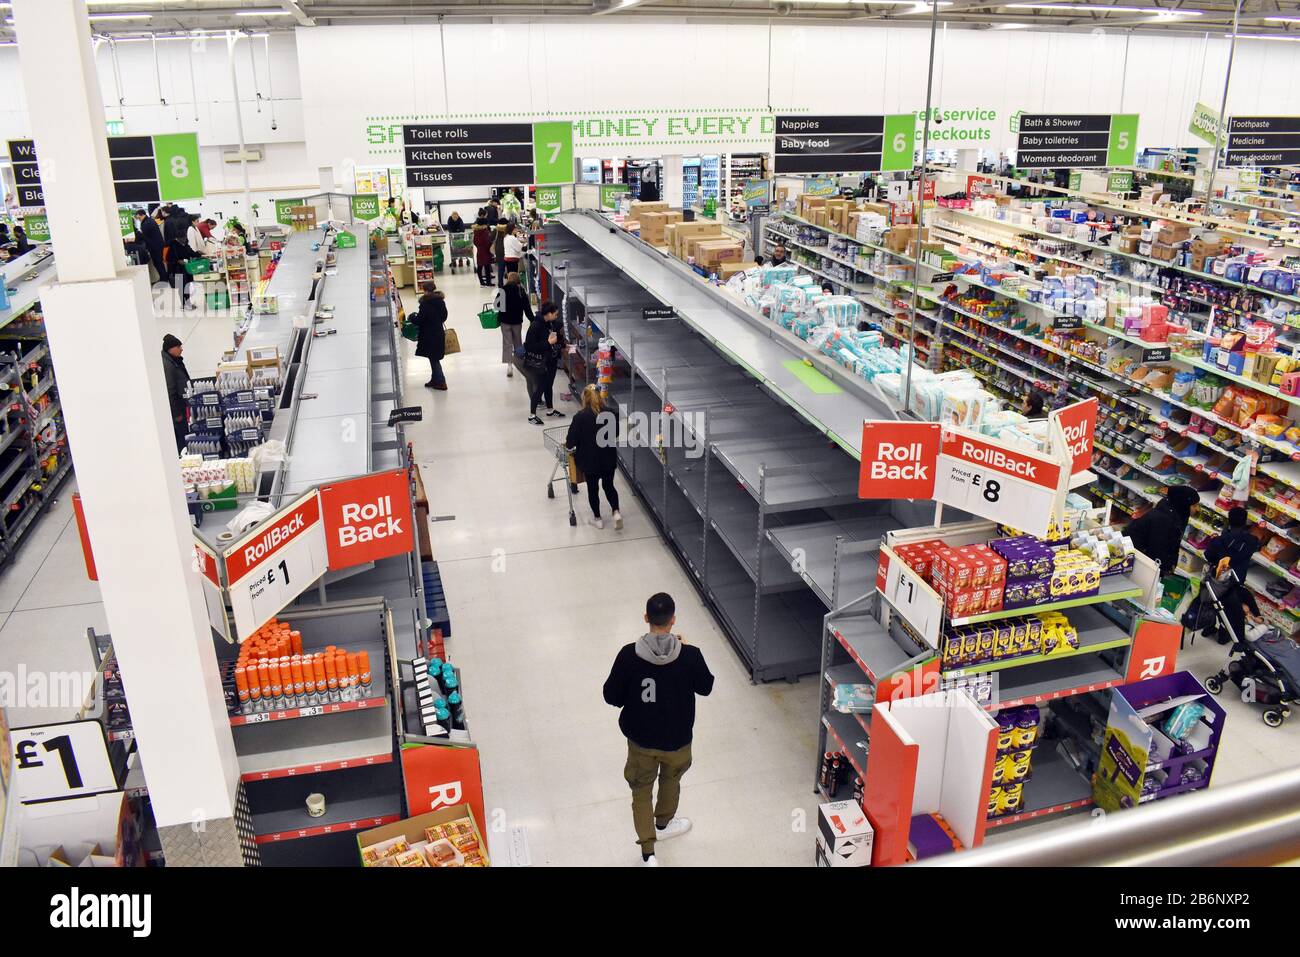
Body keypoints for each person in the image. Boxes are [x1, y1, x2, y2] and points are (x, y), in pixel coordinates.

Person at [602, 592, 714, 866]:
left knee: (641, 790)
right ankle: (664, 823)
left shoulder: (629, 655)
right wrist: (687, 648)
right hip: (677, 740)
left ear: (645, 618)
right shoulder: (690, 656)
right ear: (673, 620)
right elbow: (706, 687)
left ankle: (648, 854)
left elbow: (611, 696)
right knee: (671, 779)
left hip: (641, 740)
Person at [567, 385, 623, 530]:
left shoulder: (580, 417)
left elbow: (571, 441)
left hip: (589, 461)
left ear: (585, 398)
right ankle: (616, 512)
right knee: (609, 486)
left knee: (593, 489)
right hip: (608, 458)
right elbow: (616, 434)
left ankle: (598, 519)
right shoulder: (611, 413)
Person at [1125, 485, 1200, 578]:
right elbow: (1157, 549)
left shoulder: (1179, 514)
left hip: (1146, 559)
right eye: (1194, 505)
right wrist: (1164, 570)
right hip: (1135, 560)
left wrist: (1172, 563)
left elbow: (1174, 542)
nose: (1197, 509)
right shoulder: (1163, 520)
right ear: (1183, 504)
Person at [522, 300, 566, 424]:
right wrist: (548, 343)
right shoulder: (535, 326)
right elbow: (529, 346)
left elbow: (554, 338)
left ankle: (550, 409)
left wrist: (562, 346)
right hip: (541, 363)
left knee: (548, 386)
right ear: (549, 314)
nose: (557, 317)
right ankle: (532, 415)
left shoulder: (549, 323)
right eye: (555, 314)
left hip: (551, 360)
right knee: (540, 387)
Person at [1205, 507, 1261, 585]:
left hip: (1218, 578)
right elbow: (1257, 546)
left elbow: (1208, 555)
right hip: (1238, 579)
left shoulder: (1219, 540)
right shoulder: (1252, 541)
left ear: (1229, 520)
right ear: (1245, 522)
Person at [413, 280, 448, 391]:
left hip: (429, 335)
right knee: (433, 357)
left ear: (425, 290)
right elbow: (444, 316)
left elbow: (419, 320)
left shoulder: (425, 304)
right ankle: (434, 379)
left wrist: (411, 318)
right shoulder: (440, 301)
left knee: (434, 358)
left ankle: (441, 382)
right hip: (438, 332)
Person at [498, 271, 532, 379]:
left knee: (507, 343)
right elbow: (527, 308)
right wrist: (533, 319)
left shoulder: (503, 290)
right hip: (517, 322)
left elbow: (497, 305)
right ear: (518, 280)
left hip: (505, 321)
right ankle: (520, 364)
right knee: (518, 343)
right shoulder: (521, 291)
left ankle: (509, 366)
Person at [161, 334, 190, 453]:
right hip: (178, 412)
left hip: (182, 407)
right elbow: (170, 391)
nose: (181, 349)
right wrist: (177, 413)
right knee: (181, 439)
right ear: (171, 349)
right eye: (179, 347)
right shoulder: (168, 365)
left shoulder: (174, 360)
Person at [133, 207, 167, 283]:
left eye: (138, 217)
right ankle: (163, 278)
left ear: (141, 215)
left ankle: (164, 278)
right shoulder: (148, 221)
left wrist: (136, 232)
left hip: (155, 247)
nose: (138, 219)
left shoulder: (147, 223)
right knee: (158, 263)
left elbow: (141, 236)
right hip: (156, 246)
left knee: (158, 263)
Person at [472, 217, 494, 287]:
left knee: (480, 266)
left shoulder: (476, 231)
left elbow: (474, 242)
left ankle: (481, 282)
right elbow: (488, 241)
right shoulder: (485, 232)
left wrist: (479, 247)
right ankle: (488, 282)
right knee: (487, 266)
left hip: (480, 251)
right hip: (486, 251)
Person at [493, 222, 509, 288]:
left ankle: (500, 284)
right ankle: (509, 282)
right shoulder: (505, 236)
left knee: (500, 269)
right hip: (505, 253)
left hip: (498, 254)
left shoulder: (497, 234)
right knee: (508, 269)